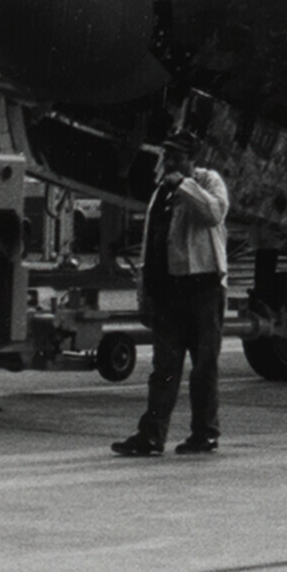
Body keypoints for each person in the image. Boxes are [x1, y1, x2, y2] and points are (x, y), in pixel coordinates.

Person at [114, 136, 231, 457]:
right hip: (169, 293)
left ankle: (205, 433)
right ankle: (151, 435)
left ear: (193, 159)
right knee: (164, 367)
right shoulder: (161, 193)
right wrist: (145, 294)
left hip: (204, 288)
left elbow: (214, 212)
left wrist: (184, 185)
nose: (170, 163)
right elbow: (152, 243)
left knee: (204, 365)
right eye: (167, 156)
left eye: (178, 157)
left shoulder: (208, 181)